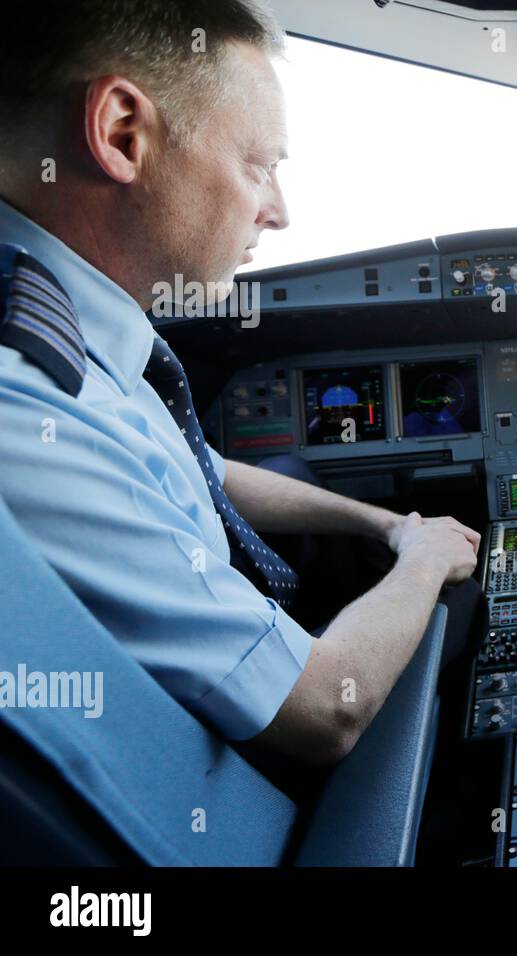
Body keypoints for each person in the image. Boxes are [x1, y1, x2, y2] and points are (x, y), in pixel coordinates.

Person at [0, 0, 481, 775]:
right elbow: (330, 707)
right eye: (259, 165)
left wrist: (388, 526)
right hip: (258, 788)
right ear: (123, 133)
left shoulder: (78, 326)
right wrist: (423, 562)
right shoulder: (27, 405)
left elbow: (202, 470)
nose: (279, 211)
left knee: (295, 481)